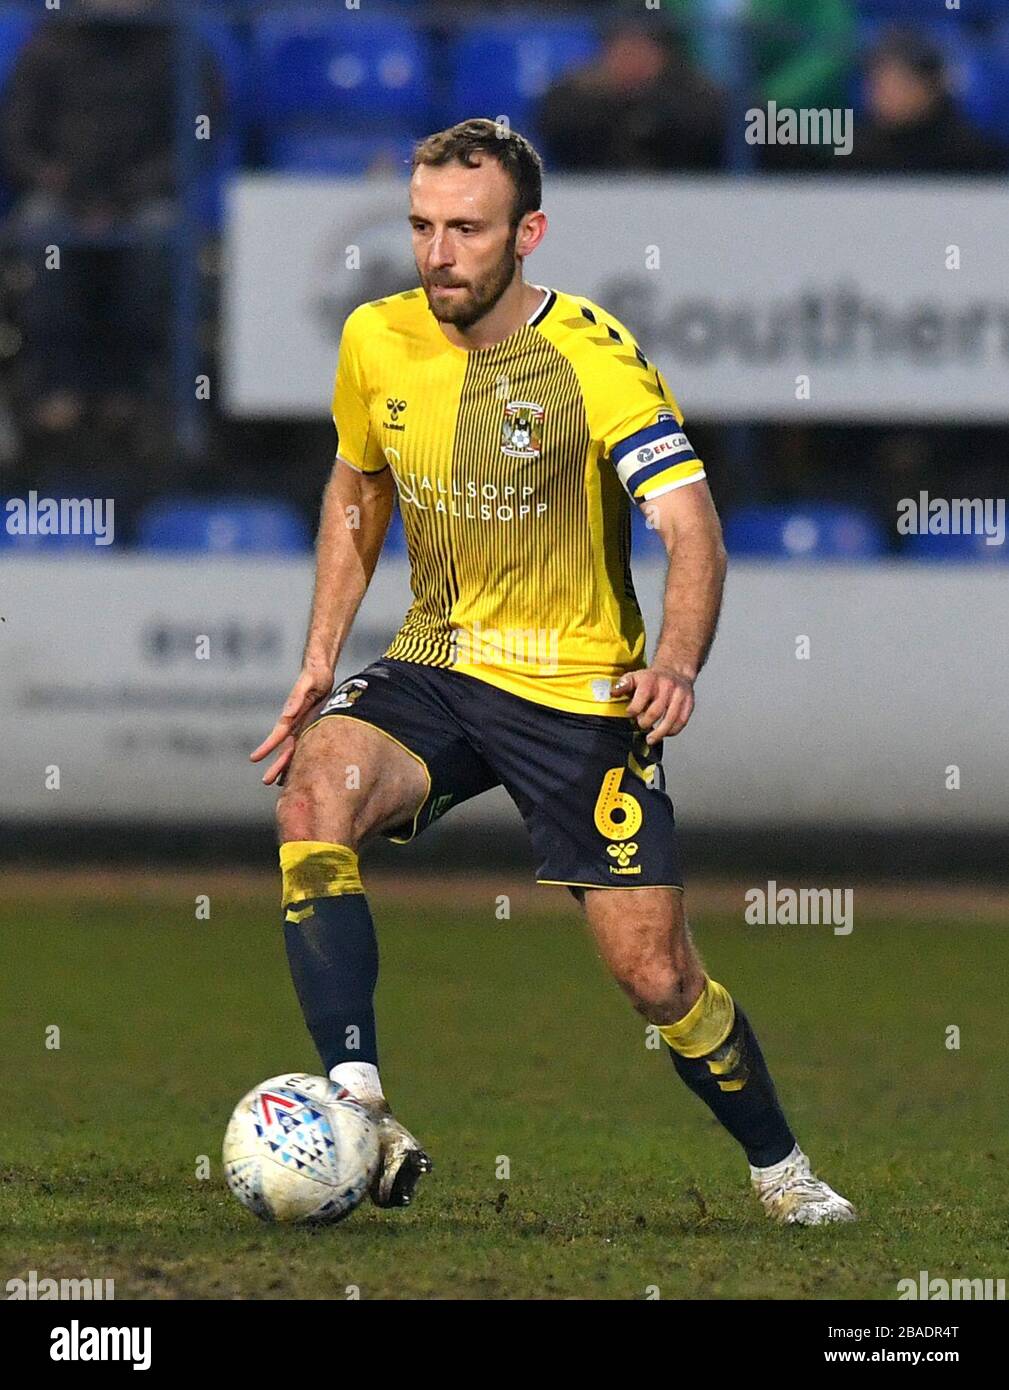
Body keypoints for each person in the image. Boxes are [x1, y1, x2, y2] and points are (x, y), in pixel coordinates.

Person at [251, 118, 855, 1224]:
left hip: (578, 691)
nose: (438, 254)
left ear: (526, 233)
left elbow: (691, 527)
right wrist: (318, 659)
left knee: (654, 976)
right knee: (312, 792)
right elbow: (356, 489)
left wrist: (673, 664)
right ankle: (356, 1106)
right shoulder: (375, 339)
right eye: (422, 227)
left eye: (466, 230)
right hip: (437, 663)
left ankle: (782, 1170)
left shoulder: (592, 356)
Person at [537, 20, 725, 172]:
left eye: (642, 49)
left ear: (662, 55)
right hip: (594, 193)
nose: (633, 60)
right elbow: (554, 124)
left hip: (681, 194)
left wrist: (648, 107)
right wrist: (613, 101)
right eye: (624, 50)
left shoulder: (692, 95)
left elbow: (710, 126)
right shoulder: (576, 95)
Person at [849, 28, 1009, 175]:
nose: (884, 94)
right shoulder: (855, 155)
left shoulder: (974, 157)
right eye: (877, 83)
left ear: (930, 87)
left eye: (899, 83)